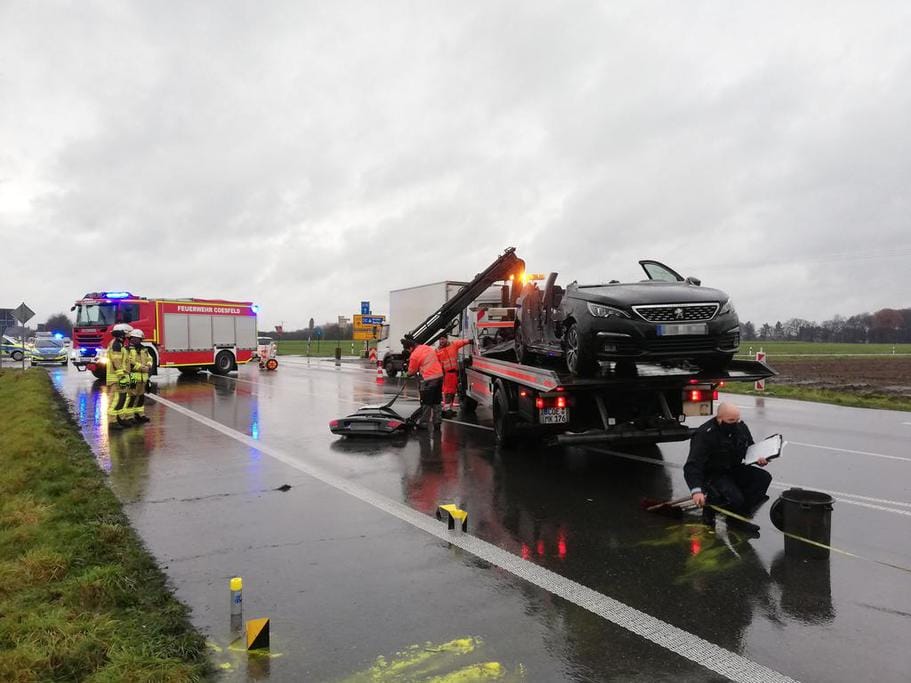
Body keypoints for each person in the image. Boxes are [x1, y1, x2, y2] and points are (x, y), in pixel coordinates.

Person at [684, 402, 772, 530]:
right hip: (713, 474)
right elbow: (693, 466)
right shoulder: (705, 434)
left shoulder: (740, 428)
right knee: (735, 498)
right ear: (719, 419)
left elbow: (750, 449)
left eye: (737, 419)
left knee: (763, 478)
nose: (735, 423)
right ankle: (710, 510)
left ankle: (738, 518)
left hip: (733, 468)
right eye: (731, 420)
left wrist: (760, 459)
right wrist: (696, 491)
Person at [402, 336, 444, 430]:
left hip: (429, 379)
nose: (409, 352)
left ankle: (424, 423)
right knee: (436, 401)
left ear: (410, 348)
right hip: (439, 376)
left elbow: (411, 372)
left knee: (426, 402)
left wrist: (406, 374)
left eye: (408, 350)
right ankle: (437, 422)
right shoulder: (426, 347)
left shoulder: (414, 355)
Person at [436, 335, 473, 416]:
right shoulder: (438, 351)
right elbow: (437, 363)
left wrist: (469, 341)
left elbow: (462, 342)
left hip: (454, 373)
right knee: (448, 392)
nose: (441, 341)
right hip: (447, 374)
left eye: (442, 339)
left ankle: (449, 408)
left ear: (446, 339)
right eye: (440, 340)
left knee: (452, 392)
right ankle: (447, 409)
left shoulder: (453, 345)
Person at [105, 323, 133, 429]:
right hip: (117, 377)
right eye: (128, 333)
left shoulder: (120, 344)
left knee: (122, 398)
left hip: (121, 376)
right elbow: (116, 361)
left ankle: (120, 418)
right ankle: (112, 421)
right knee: (115, 399)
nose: (129, 335)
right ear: (123, 333)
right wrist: (121, 375)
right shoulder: (116, 344)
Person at [127, 329, 152, 423]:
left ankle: (140, 414)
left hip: (143, 378)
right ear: (131, 338)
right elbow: (130, 362)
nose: (136, 340)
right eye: (134, 338)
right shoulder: (128, 349)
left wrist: (149, 365)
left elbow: (150, 358)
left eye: (138, 338)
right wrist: (142, 367)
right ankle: (129, 416)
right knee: (132, 396)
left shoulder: (144, 349)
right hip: (133, 376)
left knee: (141, 397)